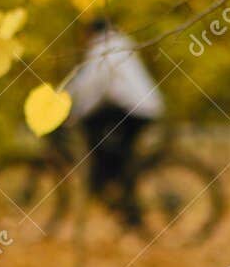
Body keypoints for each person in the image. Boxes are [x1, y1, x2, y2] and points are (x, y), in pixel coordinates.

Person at [65, 18, 164, 228]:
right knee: (108, 142)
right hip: (140, 108)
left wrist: (68, 103)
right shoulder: (118, 43)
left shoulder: (104, 47)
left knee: (100, 140)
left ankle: (123, 199)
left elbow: (91, 83)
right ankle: (118, 190)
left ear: (91, 32)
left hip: (135, 110)